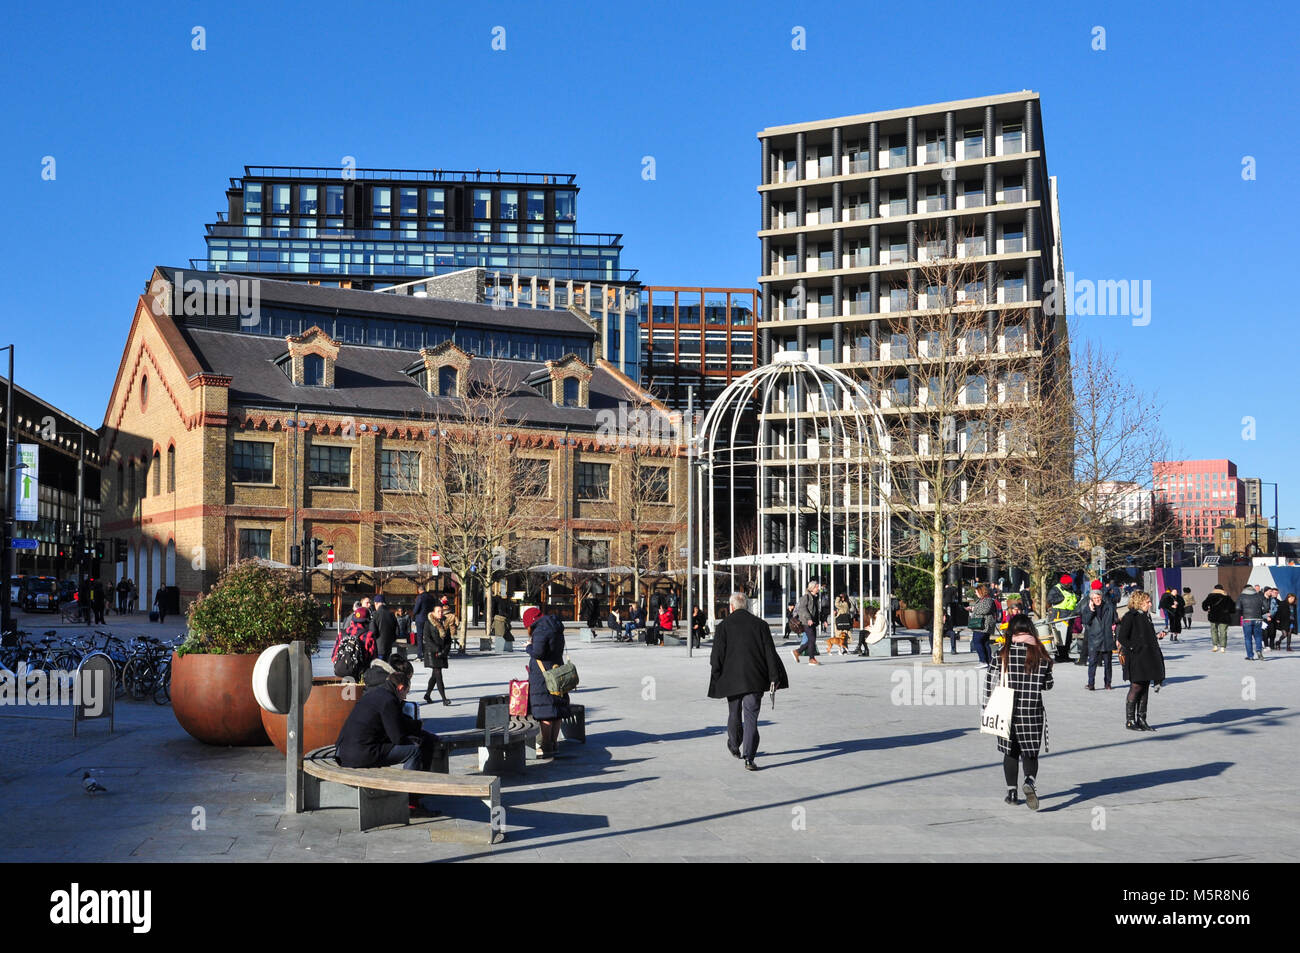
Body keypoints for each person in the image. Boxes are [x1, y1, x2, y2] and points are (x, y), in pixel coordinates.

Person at [335, 654, 442, 814]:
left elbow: (393, 723)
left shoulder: (375, 693)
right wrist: (414, 737)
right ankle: (410, 802)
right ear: (400, 688)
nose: (405, 697)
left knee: (415, 743)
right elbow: (397, 737)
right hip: (360, 754)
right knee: (413, 751)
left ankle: (414, 796)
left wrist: (415, 729)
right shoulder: (389, 700)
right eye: (406, 692)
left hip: (344, 750)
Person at [708, 591, 788, 771]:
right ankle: (749, 758)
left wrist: (716, 675)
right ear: (747, 605)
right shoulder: (760, 624)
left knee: (734, 713)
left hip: (732, 679)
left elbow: (716, 656)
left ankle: (735, 745)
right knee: (751, 717)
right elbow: (770, 653)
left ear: (731, 606)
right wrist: (774, 677)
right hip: (755, 678)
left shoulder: (724, 626)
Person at [983, 613, 1053, 810]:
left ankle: (1012, 793)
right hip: (1032, 710)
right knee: (1030, 752)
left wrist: (986, 708)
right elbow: (1048, 685)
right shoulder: (1041, 654)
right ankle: (1029, 781)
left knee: (1010, 752)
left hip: (1006, 710)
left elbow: (989, 682)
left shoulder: (1002, 653)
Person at [523, 606, 571, 759]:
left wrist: (528, 647)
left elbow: (538, 653)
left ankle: (546, 746)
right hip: (557, 672)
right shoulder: (555, 626)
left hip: (543, 676)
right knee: (556, 711)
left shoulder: (540, 630)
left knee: (546, 712)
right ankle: (554, 744)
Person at [1116, 591, 1164, 731]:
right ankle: (1130, 720)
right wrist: (1134, 647)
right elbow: (1122, 638)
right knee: (1136, 686)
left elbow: (1144, 635)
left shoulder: (1145, 616)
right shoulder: (1131, 616)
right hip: (1136, 658)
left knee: (1145, 687)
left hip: (1147, 656)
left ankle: (1142, 719)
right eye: (1148, 601)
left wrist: (1156, 636)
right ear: (1139, 602)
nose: (1150, 604)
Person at [1080, 585, 1117, 690]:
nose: (1097, 600)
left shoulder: (1109, 607)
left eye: (1099, 598)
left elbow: (1115, 619)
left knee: (1108, 664)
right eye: (1095, 598)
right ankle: (1091, 684)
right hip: (1094, 639)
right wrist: (1091, 611)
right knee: (1092, 663)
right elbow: (1085, 621)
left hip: (1107, 638)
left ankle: (1108, 684)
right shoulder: (1087, 609)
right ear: (1092, 599)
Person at [421, 603, 453, 706]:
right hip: (432, 652)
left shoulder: (445, 622)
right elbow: (426, 638)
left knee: (434, 676)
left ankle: (427, 694)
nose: (440, 613)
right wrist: (437, 649)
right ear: (433, 613)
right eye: (438, 611)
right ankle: (444, 699)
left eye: (441, 611)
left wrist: (445, 650)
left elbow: (448, 639)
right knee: (438, 674)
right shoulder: (428, 623)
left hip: (442, 652)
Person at [1046, 574, 1080, 662]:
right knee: (1060, 636)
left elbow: (1073, 599)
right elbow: (1050, 599)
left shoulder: (1070, 589)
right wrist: (1061, 598)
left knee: (1068, 636)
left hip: (1070, 614)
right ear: (1064, 583)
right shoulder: (1056, 589)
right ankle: (1060, 656)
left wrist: (1077, 597)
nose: (1070, 585)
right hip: (1059, 614)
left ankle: (1065, 655)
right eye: (1068, 584)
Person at [791, 580, 823, 666]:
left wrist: (823, 620)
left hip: (813, 622)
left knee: (812, 640)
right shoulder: (806, 597)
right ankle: (811, 659)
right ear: (812, 588)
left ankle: (798, 651)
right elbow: (803, 609)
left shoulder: (815, 597)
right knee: (812, 640)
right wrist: (809, 619)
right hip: (806, 622)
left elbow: (817, 610)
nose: (818, 588)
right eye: (817, 587)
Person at [1236, 584, 1267, 661]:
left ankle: (1250, 656)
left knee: (1248, 638)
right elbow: (1266, 607)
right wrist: (1260, 613)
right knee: (1258, 636)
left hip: (1247, 619)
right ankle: (1259, 650)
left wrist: (1243, 614)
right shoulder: (1260, 596)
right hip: (1258, 619)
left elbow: (1237, 608)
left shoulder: (1241, 596)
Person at [1201, 584, 1235, 653]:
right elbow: (1233, 607)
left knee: (1214, 631)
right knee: (1223, 632)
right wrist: (1229, 611)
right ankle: (1222, 647)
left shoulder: (1210, 596)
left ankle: (1215, 646)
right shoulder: (1227, 597)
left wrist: (1207, 609)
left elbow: (1204, 604)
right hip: (1224, 617)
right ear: (1222, 589)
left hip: (1213, 616)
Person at [968, 584, 997, 665]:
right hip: (981, 625)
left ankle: (983, 660)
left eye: (976, 592)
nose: (975, 593)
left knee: (976, 641)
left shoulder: (987, 600)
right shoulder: (982, 600)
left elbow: (985, 610)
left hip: (983, 625)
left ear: (981, 591)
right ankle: (989, 661)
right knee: (985, 643)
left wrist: (974, 609)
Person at [369, 595, 399, 662]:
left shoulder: (375, 614)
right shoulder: (391, 614)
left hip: (378, 647)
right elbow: (397, 631)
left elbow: (372, 631)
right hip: (388, 647)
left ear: (376, 603)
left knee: (379, 668)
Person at [411, 582, 437, 658]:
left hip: (420, 619)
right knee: (429, 636)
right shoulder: (431, 597)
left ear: (419, 590)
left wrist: (414, 615)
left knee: (419, 636)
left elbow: (416, 609)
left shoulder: (420, 597)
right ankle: (430, 652)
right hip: (429, 618)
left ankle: (420, 654)